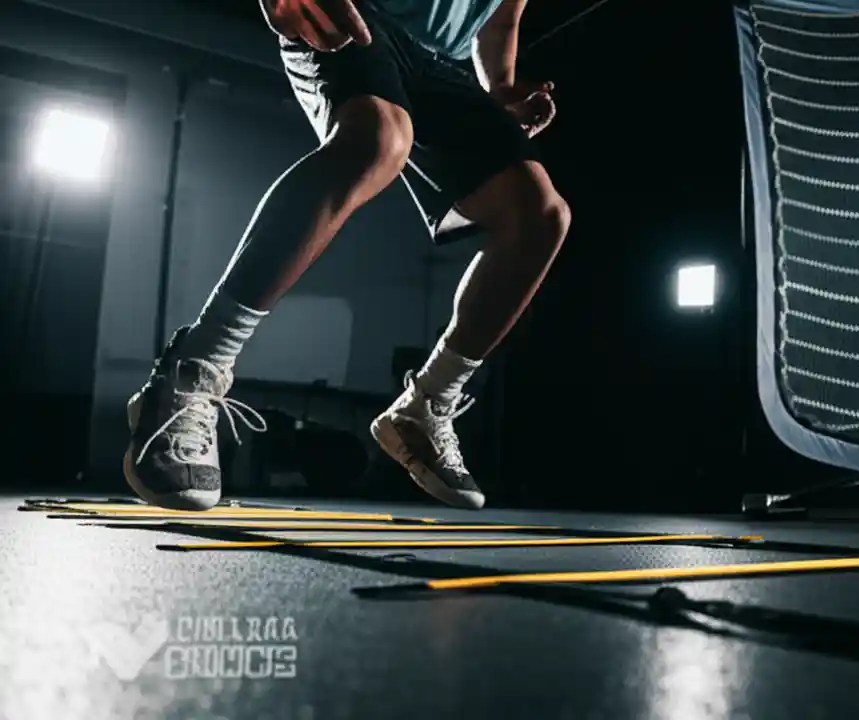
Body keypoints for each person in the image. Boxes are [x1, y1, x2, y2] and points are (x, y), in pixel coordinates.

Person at [123, 0, 568, 511]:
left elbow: (501, 19)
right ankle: (192, 369)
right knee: (380, 138)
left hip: (441, 65)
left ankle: (426, 406)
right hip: (355, 13)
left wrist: (500, 91)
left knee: (540, 214)